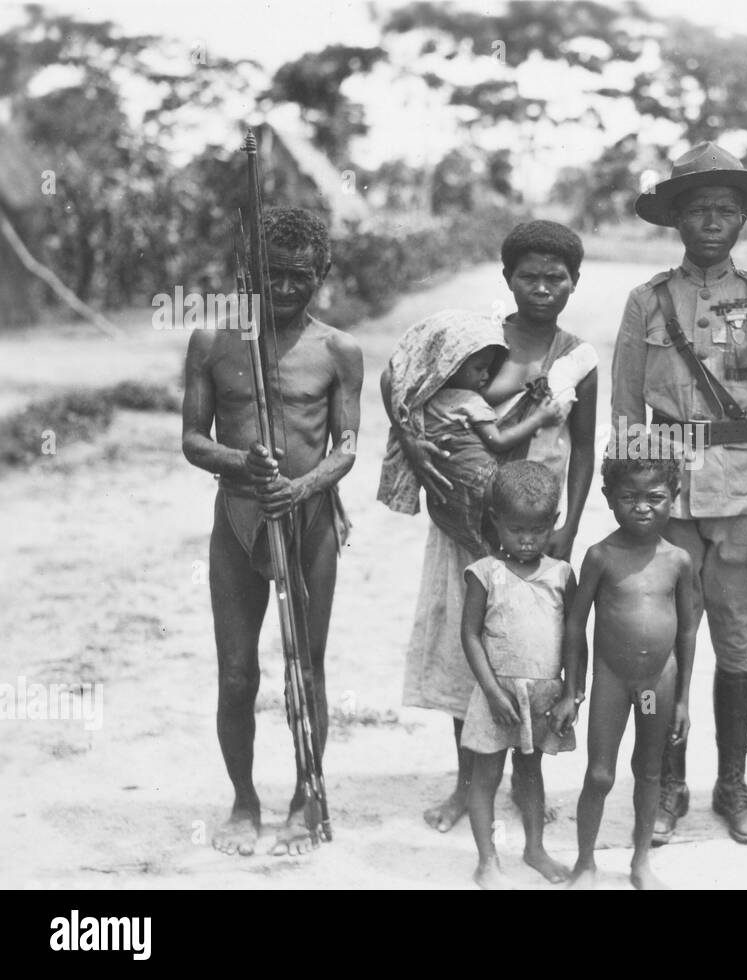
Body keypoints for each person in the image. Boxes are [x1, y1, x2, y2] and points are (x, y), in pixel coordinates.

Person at [610, 142, 747, 845]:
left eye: (725, 209)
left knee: (735, 640)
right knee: (662, 642)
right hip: (666, 499)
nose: (713, 221)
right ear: (678, 220)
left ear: (741, 220)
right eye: (699, 209)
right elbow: (627, 406)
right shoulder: (647, 302)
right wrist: (635, 501)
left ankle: (732, 784)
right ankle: (667, 785)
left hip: (744, 498)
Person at [382, 220, 597, 833]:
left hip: (537, 531)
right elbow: (397, 377)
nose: (542, 288)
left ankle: (528, 783)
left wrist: (570, 528)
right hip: (468, 524)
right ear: (507, 279)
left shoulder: (576, 358)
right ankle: (467, 783)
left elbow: (582, 450)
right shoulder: (475, 343)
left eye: (556, 278)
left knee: (533, 658)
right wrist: (412, 443)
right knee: (467, 651)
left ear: (574, 282)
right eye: (528, 276)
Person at [182, 206, 363, 857]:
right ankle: (243, 801)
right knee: (236, 673)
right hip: (236, 520)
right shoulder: (213, 342)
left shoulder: (337, 350)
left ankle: (308, 795)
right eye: (274, 276)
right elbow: (193, 441)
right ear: (251, 273)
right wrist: (240, 463)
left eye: (301, 278)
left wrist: (301, 486)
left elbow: (346, 449)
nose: (286, 289)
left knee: (305, 668)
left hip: (309, 520)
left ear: (323, 273)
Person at [552, 456, 697, 889]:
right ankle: (584, 863)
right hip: (612, 682)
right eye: (629, 498)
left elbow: (688, 629)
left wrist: (685, 699)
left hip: (657, 685)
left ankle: (639, 863)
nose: (642, 507)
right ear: (608, 499)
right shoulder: (601, 556)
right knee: (600, 773)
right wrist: (572, 688)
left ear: (674, 498)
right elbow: (575, 624)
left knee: (649, 770)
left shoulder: (678, 561)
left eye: (655, 498)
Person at [460, 461, 577, 889]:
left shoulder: (561, 574)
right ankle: (486, 860)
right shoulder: (484, 573)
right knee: (485, 775)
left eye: (538, 530)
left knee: (531, 774)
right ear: (495, 521)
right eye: (515, 529)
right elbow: (470, 635)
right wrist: (491, 691)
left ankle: (535, 848)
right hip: (498, 696)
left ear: (554, 523)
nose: (526, 540)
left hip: (542, 697)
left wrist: (572, 694)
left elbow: (573, 639)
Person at [376, 309, 565, 556]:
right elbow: (497, 442)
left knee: (483, 547)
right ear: (452, 366)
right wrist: (540, 417)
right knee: (521, 509)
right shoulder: (468, 400)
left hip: (447, 495)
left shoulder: (424, 397)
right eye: (480, 368)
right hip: (479, 480)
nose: (486, 376)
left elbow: (388, 378)